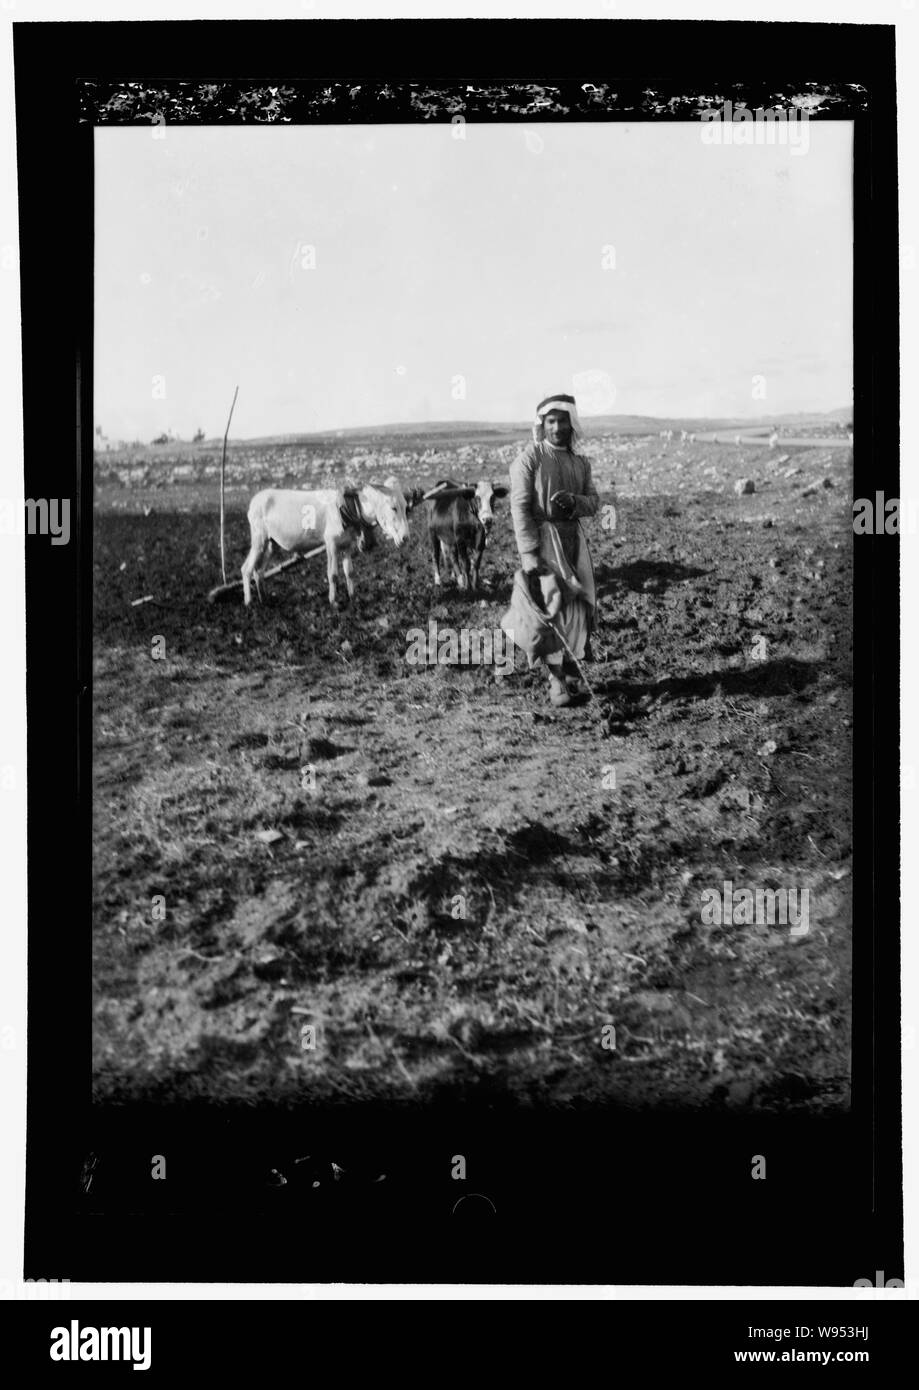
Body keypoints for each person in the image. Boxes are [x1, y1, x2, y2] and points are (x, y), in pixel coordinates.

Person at [505, 393, 600, 707]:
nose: (557, 427)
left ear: (571, 424)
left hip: (574, 540)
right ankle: (556, 682)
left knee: (579, 608)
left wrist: (575, 502)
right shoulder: (530, 458)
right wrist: (529, 554)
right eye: (551, 421)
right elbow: (519, 507)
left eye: (562, 421)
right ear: (542, 425)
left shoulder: (580, 462)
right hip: (544, 541)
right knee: (551, 611)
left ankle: (572, 672)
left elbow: (593, 502)